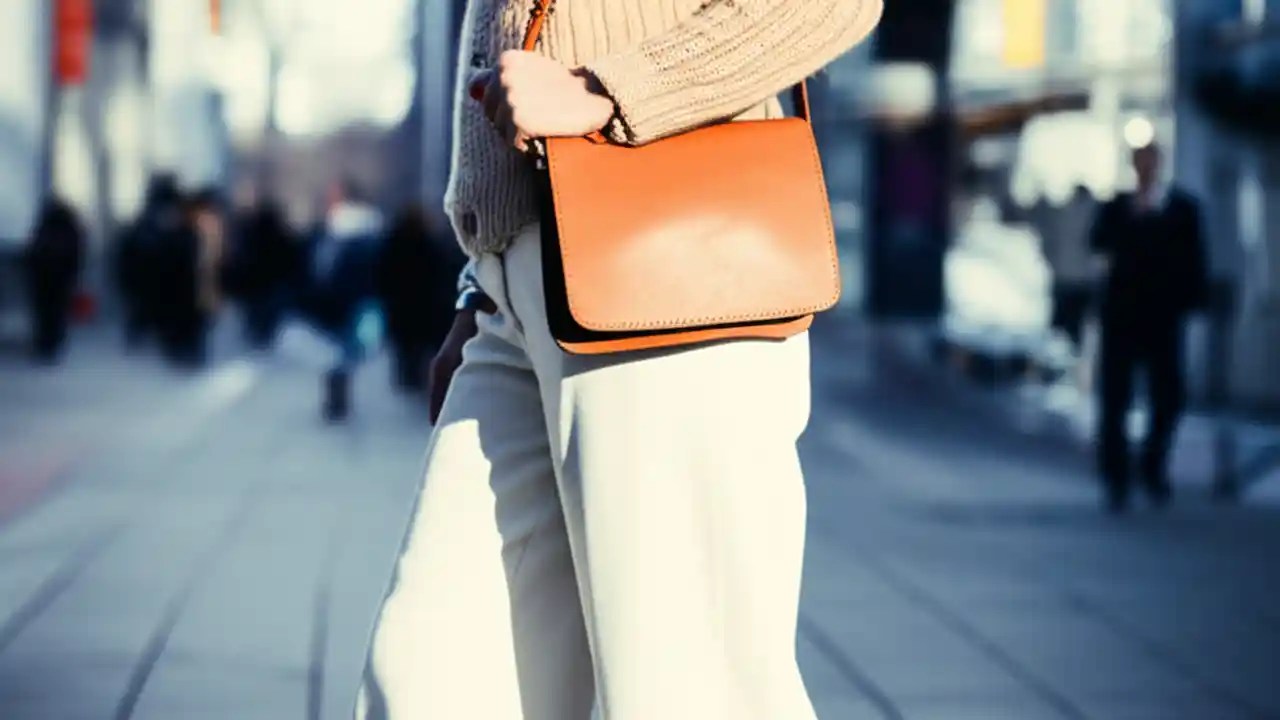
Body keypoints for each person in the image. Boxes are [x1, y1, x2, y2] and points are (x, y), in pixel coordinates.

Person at [354, 1, 884, 718]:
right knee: (430, 675)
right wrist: (481, 286)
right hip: (519, 288)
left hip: (664, 264)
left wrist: (605, 91)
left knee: (689, 689)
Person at [1092, 142, 1209, 513]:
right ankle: (1116, 476)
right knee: (1115, 398)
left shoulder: (1181, 209)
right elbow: (1098, 243)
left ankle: (1152, 465)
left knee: (1167, 397)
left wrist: (1191, 302)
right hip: (1122, 316)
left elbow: (1194, 259)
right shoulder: (1117, 207)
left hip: (1162, 316)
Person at [306, 179, 384, 421]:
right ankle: (337, 398)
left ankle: (337, 399)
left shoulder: (352, 231)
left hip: (347, 301)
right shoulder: (337, 231)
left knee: (341, 354)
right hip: (340, 301)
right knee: (339, 354)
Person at [376, 203, 465, 393]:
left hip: (402, 304)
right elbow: (437, 273)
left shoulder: (394, 243)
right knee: (417, 344)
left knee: (405, 345)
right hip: (421, 305)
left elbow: (383, 273)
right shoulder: (427, 243)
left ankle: (407, 377)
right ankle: (414, 378)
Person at [226, 200, 299, 350]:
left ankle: (256, 344)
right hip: (272, 291)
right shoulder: (283, 238)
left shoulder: (250, 237)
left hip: (255, 291)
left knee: (254, 327)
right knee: (267, 329)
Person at [23, 199, 85, 362]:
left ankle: (45, 345)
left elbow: (32, 255)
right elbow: (76, 256)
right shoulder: (70, 230)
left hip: (44, 281)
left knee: (45, 314)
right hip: (60, 281)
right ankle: (52, 345)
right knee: (57, 314)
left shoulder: (44, 230)